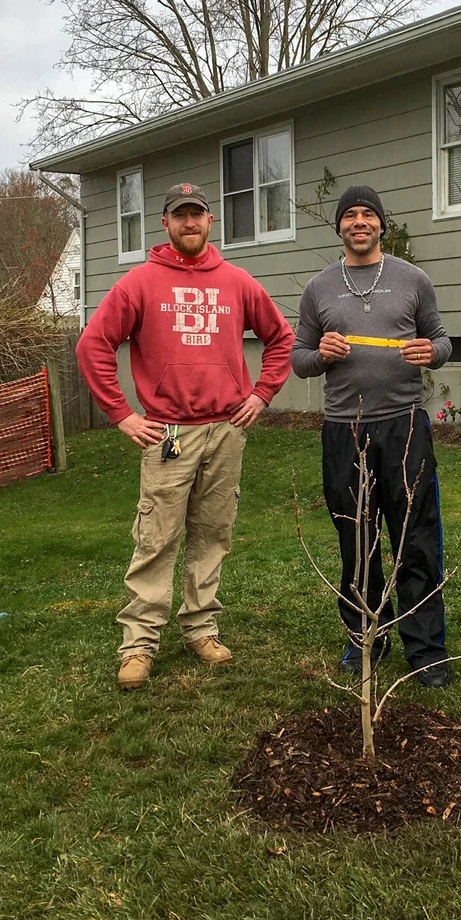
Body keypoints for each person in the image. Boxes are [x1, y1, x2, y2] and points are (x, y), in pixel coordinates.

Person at [76, 183, 294, 690]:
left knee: (213, 536)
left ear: (210, 221)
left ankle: (200, 628)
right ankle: (139, 644)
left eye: (197, 215)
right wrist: (121, 413)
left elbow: (280, 337)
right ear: (166, 224)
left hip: (226, 429)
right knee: (157, 538)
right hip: (168, 432)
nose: (189, 223)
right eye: (180, 216)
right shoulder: (140, 283)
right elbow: (93, 344)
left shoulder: (237, 282)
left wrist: (261, 394)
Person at [290, 186, 452, 687]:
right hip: (344, 429)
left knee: (414, 537)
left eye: (368, 215)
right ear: (339, 227)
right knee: (355, 537)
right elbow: (298, 359)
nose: (359, 222)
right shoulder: (319, 288)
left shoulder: (413, 280)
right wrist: (323, 355)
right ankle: (365, 637)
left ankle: (425, 651)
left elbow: (442, 340)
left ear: (382, 224)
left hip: (404, 425)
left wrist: (434, 353)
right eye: (350, 216)